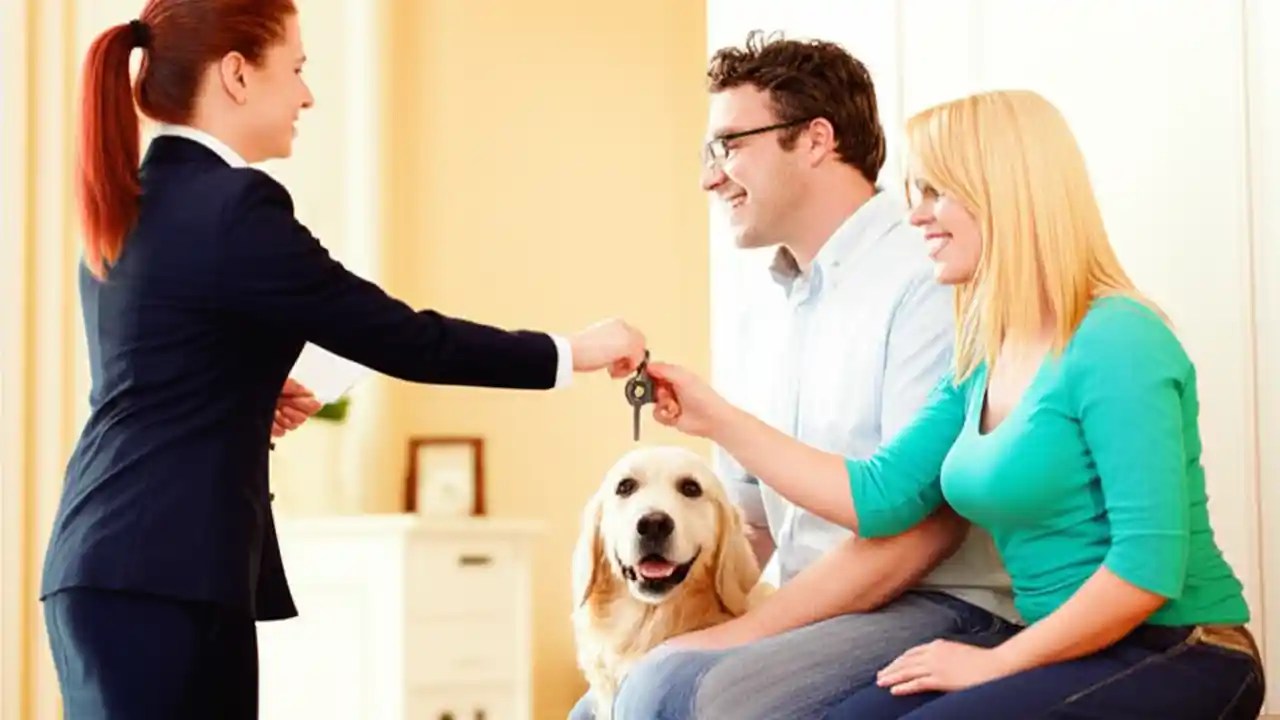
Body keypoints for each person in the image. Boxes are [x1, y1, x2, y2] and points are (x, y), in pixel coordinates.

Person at [40, 2, 647, 717]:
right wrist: (571, 352)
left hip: (120, 562)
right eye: (295, 69)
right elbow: (399, 336)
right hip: (162, 571)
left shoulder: (133, 200)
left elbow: (157, 372)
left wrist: (246, 392)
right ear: (237, 73)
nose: (306, 95)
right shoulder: (235, 204)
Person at [646, 89, 1265, 719]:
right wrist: (713, 416)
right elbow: (880, 496)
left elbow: (1147, 568)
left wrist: (997, 663)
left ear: (1007, 196)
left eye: (937, 192)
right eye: (915, 195)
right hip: (1065, 646)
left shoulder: (1118, 338)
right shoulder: (981, 356)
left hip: (1179, 646)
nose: (917, 217)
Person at [569, 31, 1014, 720]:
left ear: (814, 140)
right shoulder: (762, 311)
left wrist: (738, 636)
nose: (709, 176)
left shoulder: (928, 278)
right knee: (593, 709)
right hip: (819, 609)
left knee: (669, 697)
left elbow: (922, 530)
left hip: (938, 604)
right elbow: (748, 528)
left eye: (728, 146)